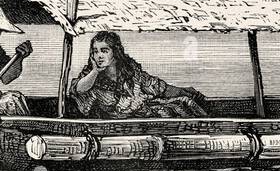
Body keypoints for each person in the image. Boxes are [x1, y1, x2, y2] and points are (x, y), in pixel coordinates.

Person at [69, 31, 209, 119]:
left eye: (104, 50)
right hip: (119, 126)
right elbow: (78, 89)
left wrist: (185, 91)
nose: (99, 55)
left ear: (115, 52)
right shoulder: (90, 75)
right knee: (170, 113)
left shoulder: (130, 71)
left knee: (185, 102)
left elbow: (158, 87)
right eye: (95, 51)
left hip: (143, 115)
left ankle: (209, 125)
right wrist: (95, 71)